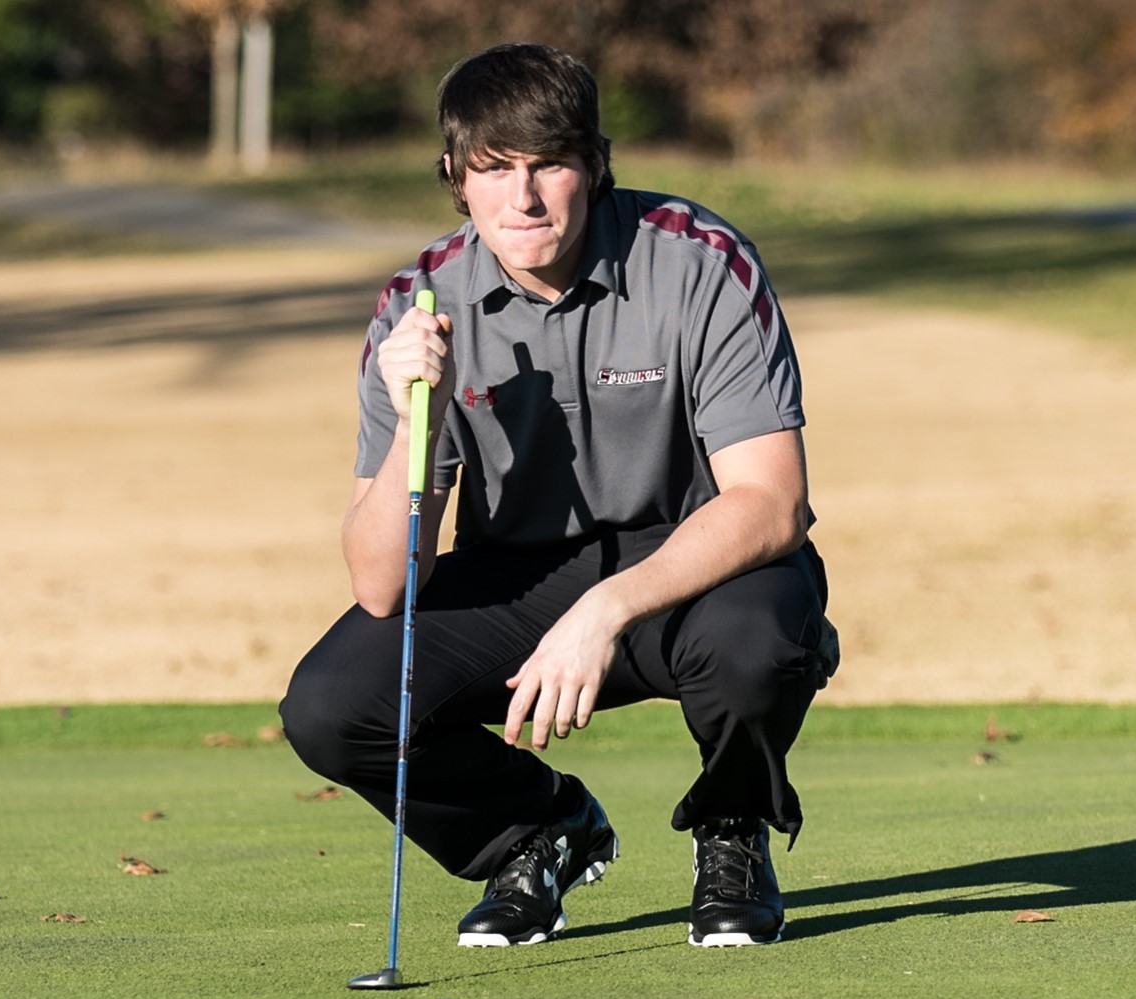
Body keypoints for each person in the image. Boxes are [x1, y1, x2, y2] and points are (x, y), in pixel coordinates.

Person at [280, 42, 836, 948]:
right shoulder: (418, 299)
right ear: (457, 180)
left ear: (594, 166)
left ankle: (732, 831)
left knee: (757, 639)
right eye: (494, 171)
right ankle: (536, 830)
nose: (524, 198)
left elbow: (773, 504)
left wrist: (603, 610)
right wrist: (411, 421)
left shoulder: (700, 262)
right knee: (332, 705)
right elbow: (385, 584)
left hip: (697, 563)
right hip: (513, 577)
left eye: (549, 166)